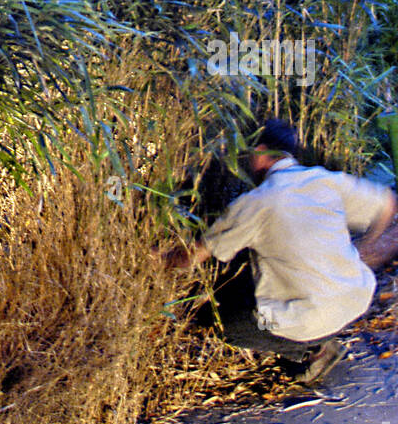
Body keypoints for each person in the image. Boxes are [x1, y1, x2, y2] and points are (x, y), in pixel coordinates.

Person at [163, 117, 398, 385]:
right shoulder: (324, 180)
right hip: (355, 299)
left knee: (223, 325)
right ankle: (321, 336)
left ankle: (313, 350)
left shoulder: (257, 203)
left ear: (261, 152)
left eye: (248, 154)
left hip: (312, 315)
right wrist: (366, 248)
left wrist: (158, 259)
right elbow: (388, 203)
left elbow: (191, 258)